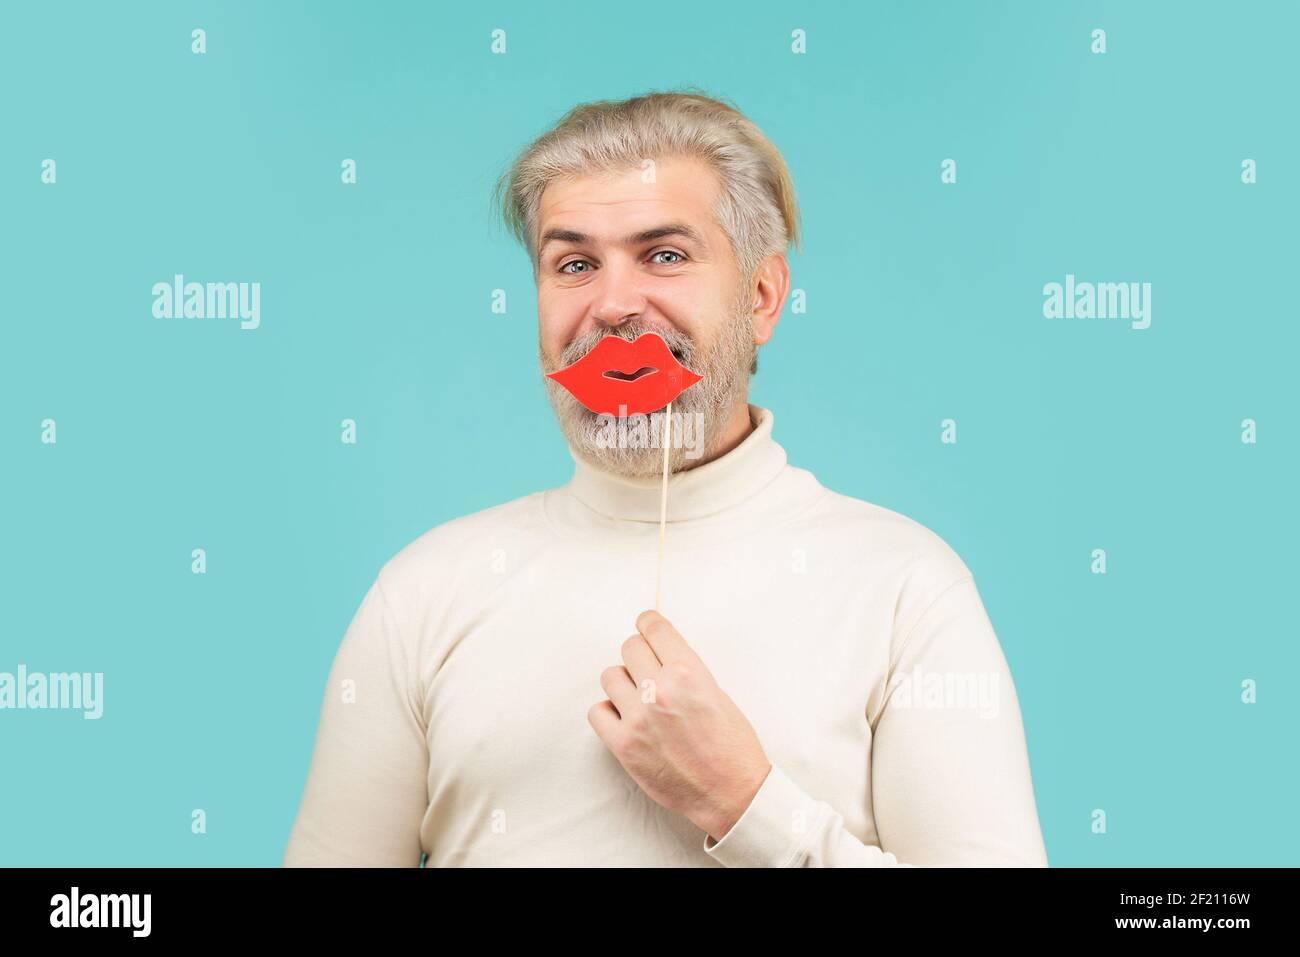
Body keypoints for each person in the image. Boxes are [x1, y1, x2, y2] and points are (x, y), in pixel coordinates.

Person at [282, 89, 1049, 867]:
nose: (614, 305)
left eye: (665, 255)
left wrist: (748, 804)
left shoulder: (907, 590)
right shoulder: (419, 595)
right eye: (575, 263)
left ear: (761, 296)